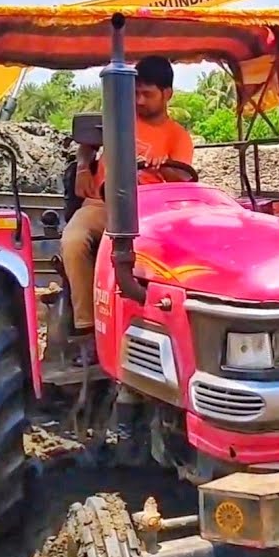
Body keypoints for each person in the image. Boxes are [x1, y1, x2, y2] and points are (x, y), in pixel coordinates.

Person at [61, 55, 194, 365]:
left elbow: (184, 178)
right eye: (135, 92)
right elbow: (88, 141)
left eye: (147, 94)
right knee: (73, 240)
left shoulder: (177, 136)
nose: (138, 100)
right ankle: (87, 332)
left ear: (167, 94)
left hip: (148, 211)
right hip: (102, 204)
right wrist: (83, 166)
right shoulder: (118, 117)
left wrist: (166, 170)